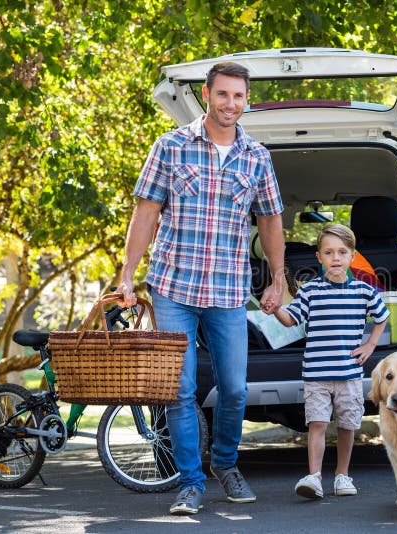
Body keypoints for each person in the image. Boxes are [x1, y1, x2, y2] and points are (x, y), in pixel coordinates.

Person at [117, 62, 287, 515]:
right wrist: (127, 273)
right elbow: (146, 214)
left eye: (239, 96)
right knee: (179, 390)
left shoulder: (257, 156)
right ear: (206, 94)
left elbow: (271, 220)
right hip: (173, 285)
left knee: (234, 388)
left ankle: (226, 465)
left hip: (229, 290)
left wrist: (278, 277)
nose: (231, 103)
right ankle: (190, 482)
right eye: (223, 94)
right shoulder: (170, 147)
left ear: (246, 99)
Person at [273, 223, 389, 500]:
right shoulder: (310, 291)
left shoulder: (364, 291)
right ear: (319, 257)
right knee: (318, 424)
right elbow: (291, 320)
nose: (335, 258)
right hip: (316, 374)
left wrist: (370, 345)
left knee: (348, 426)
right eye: (329, 252)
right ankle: (314, 477)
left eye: (341, 252)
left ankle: (342, 475)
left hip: (349, 373)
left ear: (352, 256)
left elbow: (382, 317)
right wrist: (276, 307)